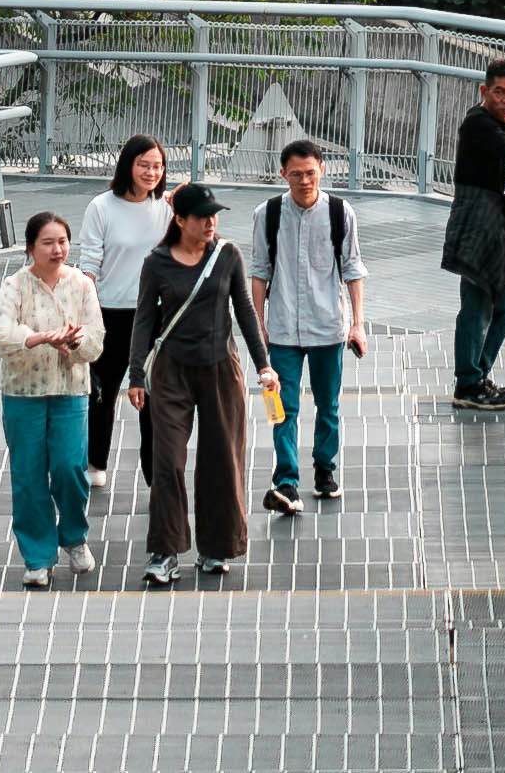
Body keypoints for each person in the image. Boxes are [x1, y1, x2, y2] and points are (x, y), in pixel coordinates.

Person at [126, 182, 272, 588]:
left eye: (214, 216)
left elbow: (243, 308)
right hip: (172, 370)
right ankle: (165, 551)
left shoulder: (226, 255)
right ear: (180, 220)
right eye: (202, 217)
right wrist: (136, 375)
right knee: (167, 460)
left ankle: (217, 547)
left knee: (222, 458)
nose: (211, 223)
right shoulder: (157, 262)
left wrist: (264, 365)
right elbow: (142, 320)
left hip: (220, 368)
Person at [0, 212, 101, 586]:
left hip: (70, 390)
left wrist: (74, 342)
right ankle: (37, 557)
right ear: (31, 247)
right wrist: (37, 338)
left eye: (63, 241)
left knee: (69, 468)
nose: (57, 249)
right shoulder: (15, 285)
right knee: (29, 475)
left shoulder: (82, 284)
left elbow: (96, 339)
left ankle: (74, 537)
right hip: (23, 394)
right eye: (48, 243)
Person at [256, 139, 368, 507]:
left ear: (322, 169)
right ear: (282, 174)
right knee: (282, 405)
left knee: (328, 404)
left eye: (310, 173)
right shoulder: (268, 213)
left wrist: (358, 324)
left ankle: (325, 468)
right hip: (283, 328)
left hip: (327, 327)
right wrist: (259, 326)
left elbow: (352, 269)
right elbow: (259, 273)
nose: (304, 181)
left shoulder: (339, 212)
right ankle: (286, 480)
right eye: (295, 175)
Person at [73, 136, 176, 487]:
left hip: (154, 316)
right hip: (109, 313)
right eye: (144, 164)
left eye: (157, 166)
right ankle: (95, 462)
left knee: (152, 395)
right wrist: (84, 313)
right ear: (128, 165)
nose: (151, 172)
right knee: (101, 392)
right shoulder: (102, 207)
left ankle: (155, 475)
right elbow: (89, 264)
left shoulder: (166, 207)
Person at [444, 59, 505, 411]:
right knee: (477, 304)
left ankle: (475, 379)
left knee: (501, 303)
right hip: (476, 220)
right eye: (499, 92)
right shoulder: (478, 123)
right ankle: (469, 383)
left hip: (484, 219)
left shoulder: (490, 119)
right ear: (485, 91)